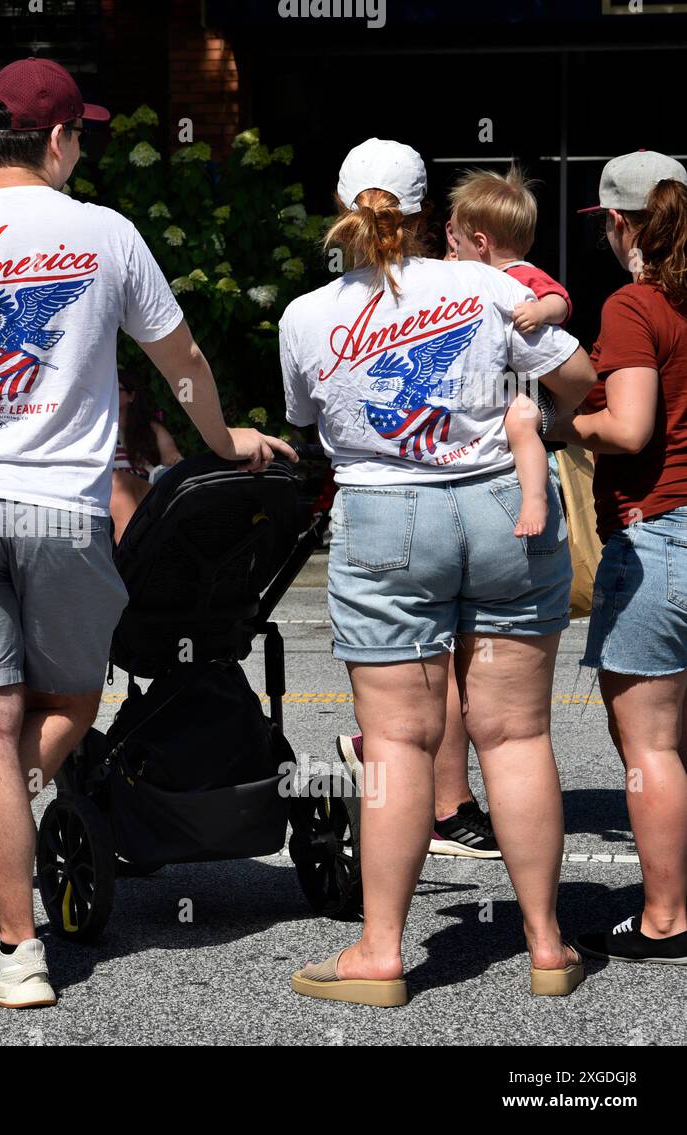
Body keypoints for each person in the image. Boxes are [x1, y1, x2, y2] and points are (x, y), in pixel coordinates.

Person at [0, 57, 295, 1009]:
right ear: (56, 140)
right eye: (80, 137)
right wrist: (229, 444)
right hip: (60, 506)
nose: (81, 151)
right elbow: (178, 363)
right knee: (69, 706)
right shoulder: (106, 235)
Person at [280, 138, 596, 1007]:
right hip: (504, 507)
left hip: (386, 518)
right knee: (518, 736)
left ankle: (381, 952)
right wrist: (537, 420)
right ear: (431, 216)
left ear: (342, 205)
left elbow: (308, 416)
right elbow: (577, 373)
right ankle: (545, 945)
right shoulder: (490, 285)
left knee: (396, 744)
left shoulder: (307, 313)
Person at [552, 152, 687, 965]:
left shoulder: (635, 304)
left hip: (660, 531)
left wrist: (565, 425)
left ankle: (667, 916)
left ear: (619, 221)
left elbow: (631, 427)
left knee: (651, 746)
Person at [447, 166, 571, 535]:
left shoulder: (521, 275)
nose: (452, 246)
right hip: (498, 386)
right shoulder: (470, 274)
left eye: (458, 241)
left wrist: (540, 311)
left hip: (531, 390)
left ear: (481, 244)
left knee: (519, 424)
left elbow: (561, 300)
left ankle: (535, 498)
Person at [109, 370, 182, 541]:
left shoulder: (151, 430)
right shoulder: (93, 432)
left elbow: (172, 458)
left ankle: (127, 558)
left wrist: (174, 459)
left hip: (143, 492)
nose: (110, 393)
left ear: (131, 396)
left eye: (116, 389)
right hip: (103, 492)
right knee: (114, 482)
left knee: (116, 482)